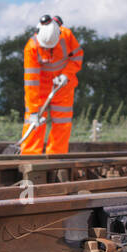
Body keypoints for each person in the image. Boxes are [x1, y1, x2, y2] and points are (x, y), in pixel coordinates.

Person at [22, 13, 84, 154]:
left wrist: (66, 75)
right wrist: (33, 111)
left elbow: (78, 56)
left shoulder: (67, 36)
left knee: (62, 123)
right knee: (34, 121)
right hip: (40, 88)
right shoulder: (31, 47)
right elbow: (31, 82)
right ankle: (30, 155)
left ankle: (57, 157)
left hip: (63, 86)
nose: (47, 50)